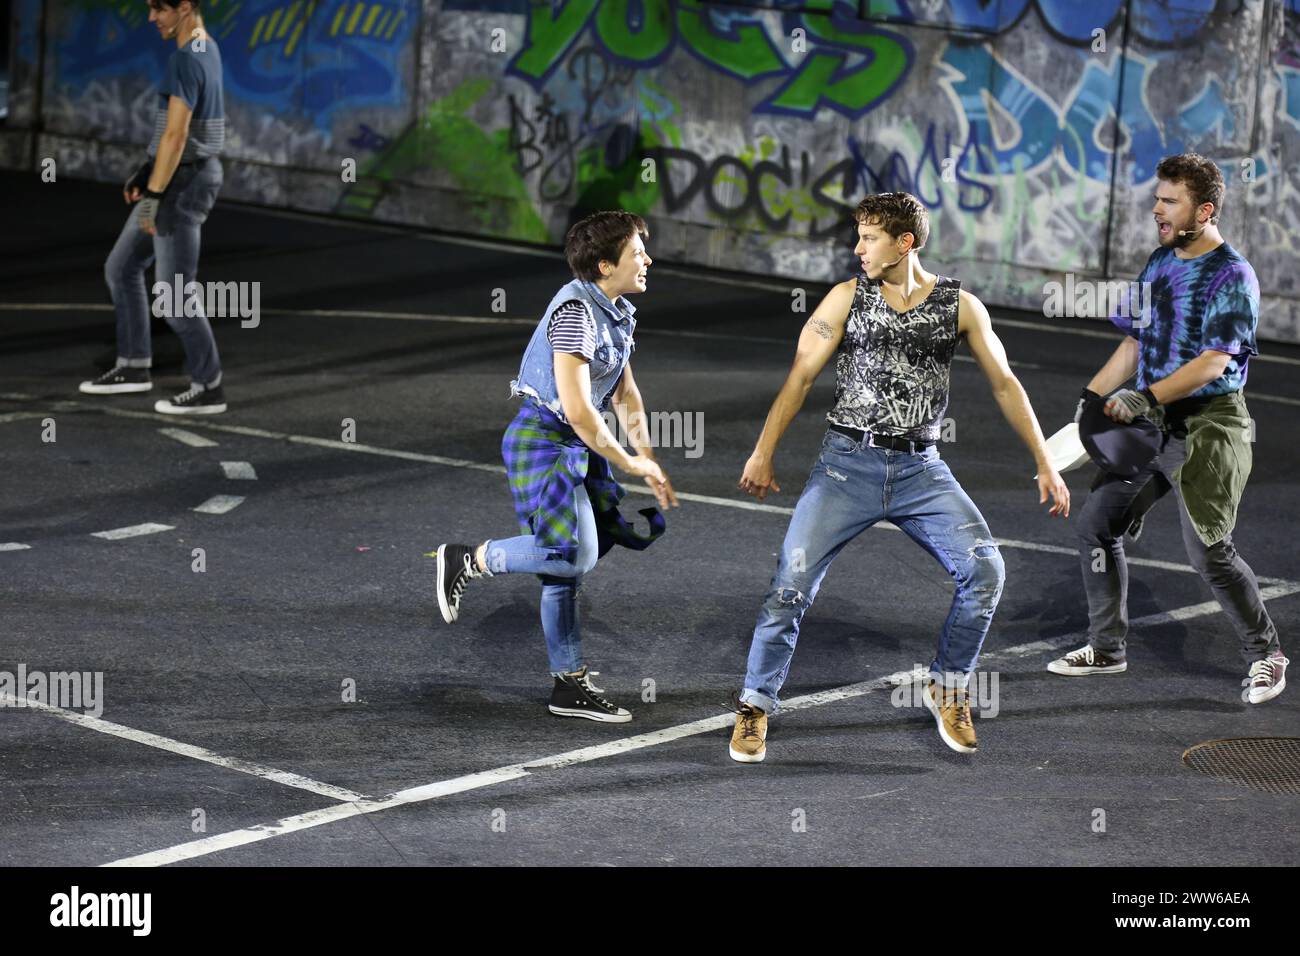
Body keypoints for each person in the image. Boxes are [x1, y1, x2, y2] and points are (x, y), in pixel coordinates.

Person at [729, 191, 1069, 762]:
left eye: (868, 237)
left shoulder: (961, 306)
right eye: (858, 236)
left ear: (904, 242)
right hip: (845, 466)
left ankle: (948, 685)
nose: (857, 247)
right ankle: (755, 705)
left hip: (921, 470)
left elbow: (1006, 384)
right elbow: (800, 378)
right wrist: (763, 453)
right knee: (790, 583)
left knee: (985, 571)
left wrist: (1044, 460)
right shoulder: (844, 298)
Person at [1048, 153, 1288, 704]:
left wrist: (1144, 396)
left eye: (1169, 200)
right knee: (1097, 525)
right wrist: (1090, 399)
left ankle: (1266, 654)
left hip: (1211, 425)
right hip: (1153, 422)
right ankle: (1107, 648)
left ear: (1204, 210)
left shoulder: (1233, 275)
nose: (1156, 207)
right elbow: (1134, 342)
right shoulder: (1159, 262)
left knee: (1208, 551)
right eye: (1158, 197)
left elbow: (1212, 363)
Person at [433, 211, 678, 722]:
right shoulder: (574, 313)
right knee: (571, 553)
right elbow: (579, 410)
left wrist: (648, 458)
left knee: (563, 568)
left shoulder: (612, 308)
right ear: (606, 264)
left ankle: (567, 686)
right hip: (543, 443)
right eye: (638, 252)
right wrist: (627, 462)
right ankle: (471, 558)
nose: (648, 259)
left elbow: (625, 394)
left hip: (575, 446)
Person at [79, 0, 227, 415]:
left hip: (182, 184)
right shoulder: (206, 47)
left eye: (158, 9)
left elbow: (177, 137)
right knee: (122, 267)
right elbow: (182, 130)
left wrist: (155, 196)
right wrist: (147, 171)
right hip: (181, 174)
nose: (151, 18)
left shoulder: (185, 60)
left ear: (183, 7)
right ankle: (133, 365)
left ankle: (209, 385)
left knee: (175, 297)